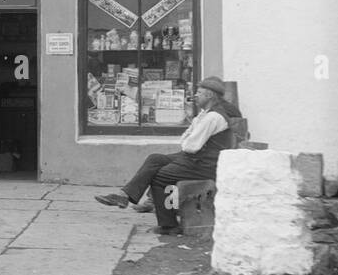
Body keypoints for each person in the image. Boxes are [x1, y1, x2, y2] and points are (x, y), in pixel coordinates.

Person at [95, 76, 241, 234]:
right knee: (155, 159)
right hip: (195, 157)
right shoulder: (206, 114)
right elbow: (186, 138)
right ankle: (124, 195)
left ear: (210, 95)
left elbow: (190, 145)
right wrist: (189, 137)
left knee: (160, 177)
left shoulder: (213, 117)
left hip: (204, 164)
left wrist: (188, 139)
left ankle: (169, 226)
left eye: (199, 92)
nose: (195, 95)